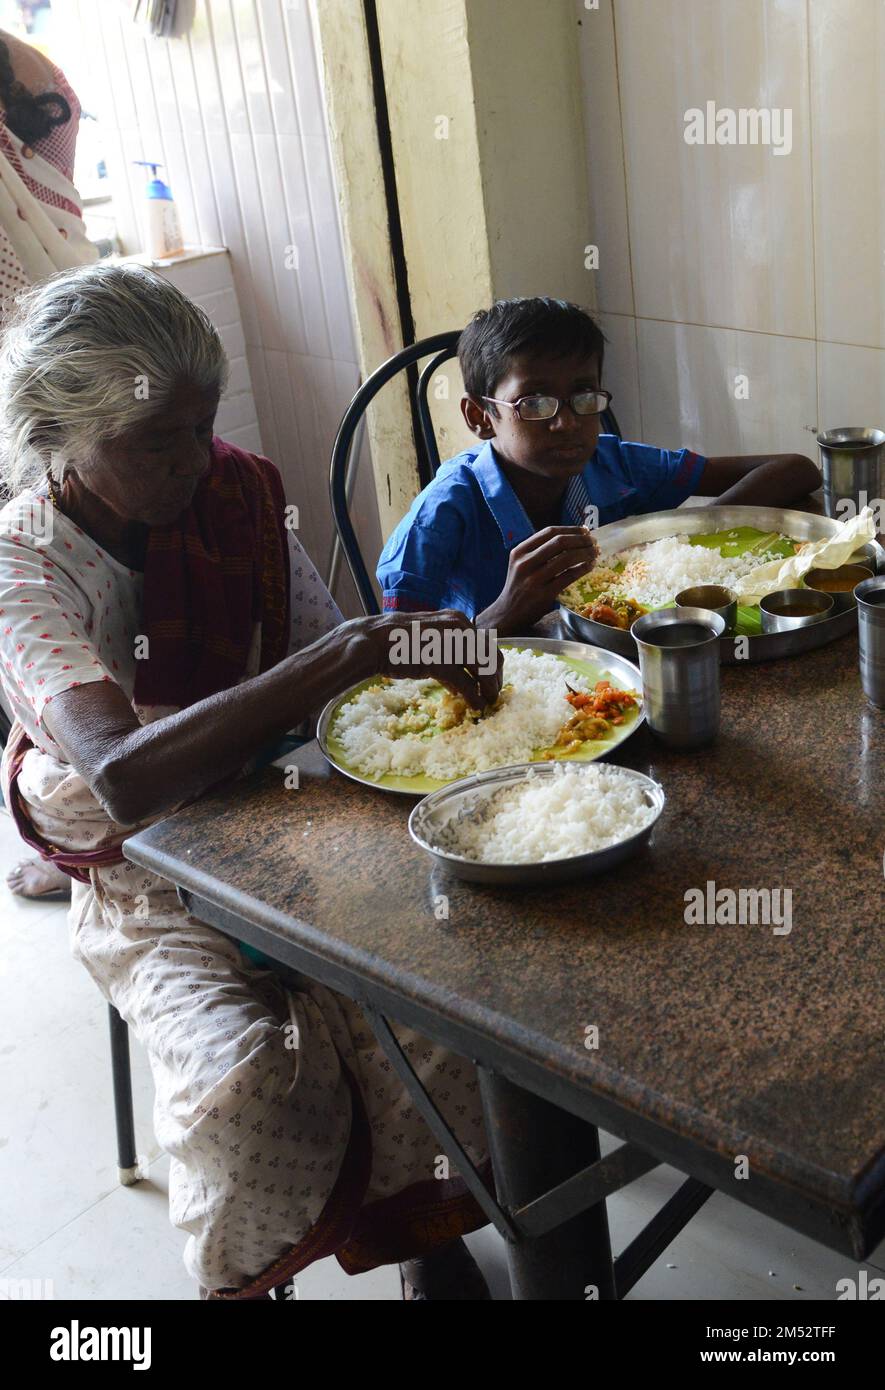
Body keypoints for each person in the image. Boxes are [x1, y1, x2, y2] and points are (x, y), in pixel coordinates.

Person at [0, 261, 502, 1300]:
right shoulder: (25, 566)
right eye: (160, 439)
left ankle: (423, 1228)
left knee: (447, 1006)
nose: (200, 460)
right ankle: (248, 1279)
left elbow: (330, 697)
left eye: (206, 425)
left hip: (285, 815)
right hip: (145, 872)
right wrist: (347, 657)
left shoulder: (240, 495)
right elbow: (124, 774)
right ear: (65, 432)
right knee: (245, 1087)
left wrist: (443, 692)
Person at [376, 298, 821, 634]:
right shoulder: (441, 514)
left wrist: (684, 538)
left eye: (584, 394)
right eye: (534, 402)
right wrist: (507, 610)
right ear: (480, 417)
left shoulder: (611, 463)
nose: (566, 422)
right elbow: (395, 658)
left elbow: (797, 469)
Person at [0, 28, 98, 900]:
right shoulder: (25, 63)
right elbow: (63, 146)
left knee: (52, 585)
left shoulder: (20, 63)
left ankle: (68, 824)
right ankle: (60, 816)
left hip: (35, 368)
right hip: (41, 354)